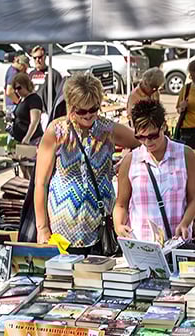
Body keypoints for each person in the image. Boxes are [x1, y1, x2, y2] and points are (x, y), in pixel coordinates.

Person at [113, 101, 195, 336]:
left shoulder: (184, 154)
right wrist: (118, 225)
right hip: (142, 246)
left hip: (176, 245)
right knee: (138, 305)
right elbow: (121, 204)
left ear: (165, 128)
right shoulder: (131, 160)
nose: (147, 142)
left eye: (153, 135)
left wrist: (186, 222)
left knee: (171, 304)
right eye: (141, 137)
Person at [34, 73, 139, 252]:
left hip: (99, 226)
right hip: (62, 227)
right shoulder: (57, 131)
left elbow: (141, 143)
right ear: (70, 106)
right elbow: (41, 183)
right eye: (81, 111)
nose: (88, 115)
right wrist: (42, 227)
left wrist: (127, 161)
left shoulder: (108, 129)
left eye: (94, 109)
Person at [10, 73, 43, 145]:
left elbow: (34, 121)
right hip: (19, 139)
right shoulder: (21, 99)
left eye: (19, 88)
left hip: (32, 140)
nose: (17, 91)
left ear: (26, 85)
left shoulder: (34, 99)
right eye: (15, 89)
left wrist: (27, 137)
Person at [28, 46, 63, 112]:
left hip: (47, 112)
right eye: (35, 58)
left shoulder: (54, 74)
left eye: (40, 57)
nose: (37, 60)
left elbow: (60, 96)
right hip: (33, 111)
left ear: (45, 57)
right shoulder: (30, 74)